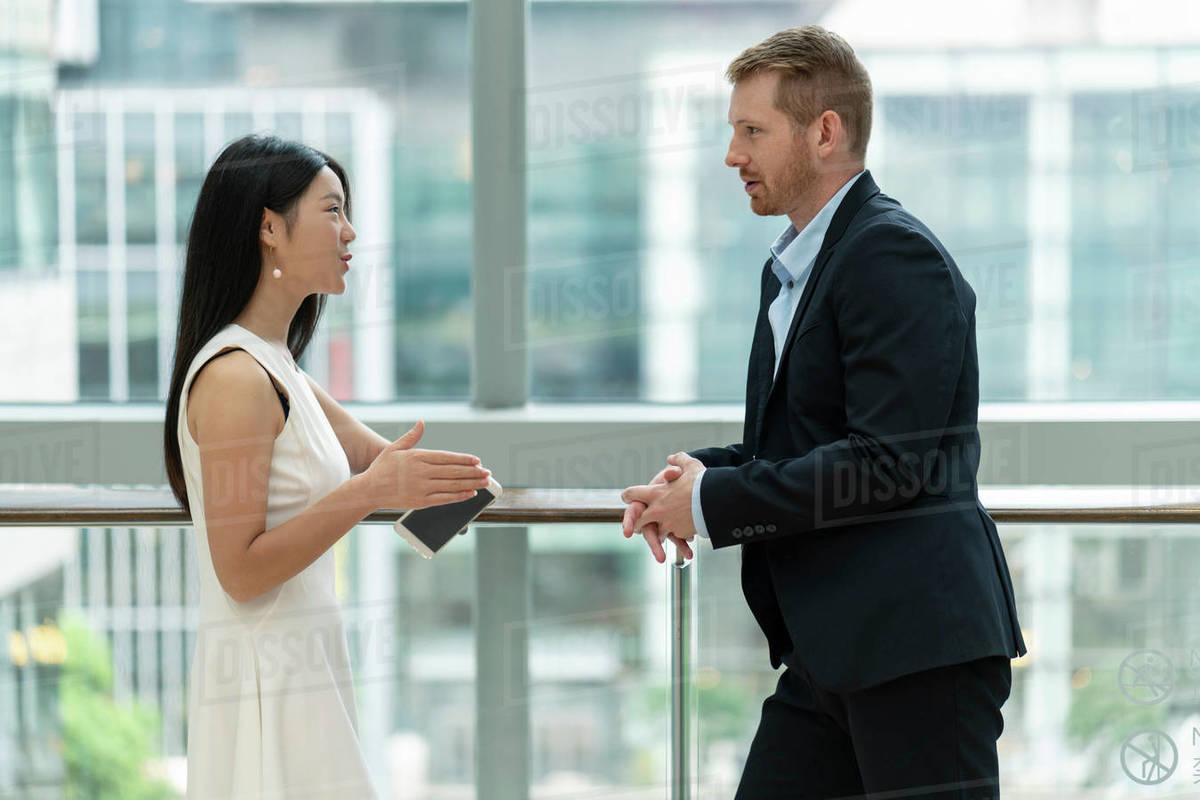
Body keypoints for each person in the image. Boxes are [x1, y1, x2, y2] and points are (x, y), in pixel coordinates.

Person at [620, 26, 1027, 799]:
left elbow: (887, 463)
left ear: (825, 133)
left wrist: (710, 503)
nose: (732, 155)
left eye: (752, 131)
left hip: (915, 651)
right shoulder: (803, 265)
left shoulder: (891, 255)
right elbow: (811, 438)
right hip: (836, 649)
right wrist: (705, 474)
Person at [162, 134, 492, 799]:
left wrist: (460, 483)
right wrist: (371, 494)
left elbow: (376, 458)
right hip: (264, 680)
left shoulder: (276, 364)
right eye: (332, 210)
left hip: (302, 666)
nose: (350, 231)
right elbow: (241, 572)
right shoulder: (234, 378)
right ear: (268, 228)